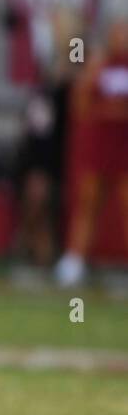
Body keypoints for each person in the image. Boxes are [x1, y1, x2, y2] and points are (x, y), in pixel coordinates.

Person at [56, 19, 128, 287]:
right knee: (88, 204)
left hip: (125, 147)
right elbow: (80, 103)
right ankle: (74, 261)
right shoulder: (100, 66)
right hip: (101, 146)